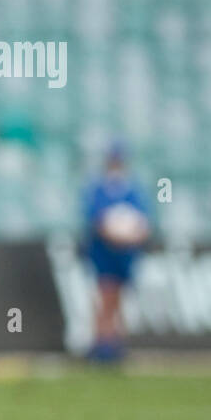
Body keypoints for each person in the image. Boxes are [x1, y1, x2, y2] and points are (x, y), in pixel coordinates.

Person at [82, 140, 151, 363]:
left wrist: (132, 237)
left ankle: (114, 342)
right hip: (105, 251)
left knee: (118, 296)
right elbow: (97, 221)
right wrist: (116, 236)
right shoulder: (98, 189)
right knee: (106, 294)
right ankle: (101, 342)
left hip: (125, 252)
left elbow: (144, 223)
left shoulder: (133, 190)